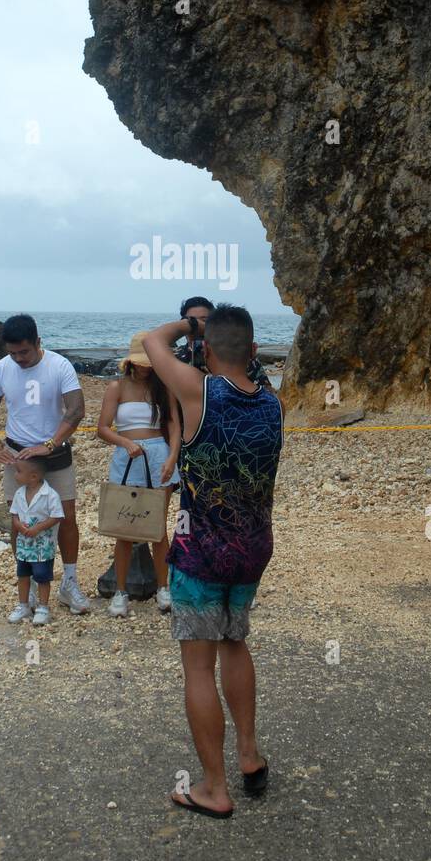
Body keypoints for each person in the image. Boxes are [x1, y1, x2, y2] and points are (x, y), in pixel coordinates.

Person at [143, 305, 284, 818]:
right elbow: (251, 375)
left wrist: (189, 328)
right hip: (253, 548)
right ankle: (249, 754)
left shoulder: (197, 391)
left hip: (201, 551)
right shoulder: (273, 403)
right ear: (252, 349)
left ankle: (213, 788)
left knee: (198, 667)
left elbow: (152, 340)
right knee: (236, 642)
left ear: (205, 351)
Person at [0, 314, 90, 616]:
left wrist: (51, 442)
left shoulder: (59, 366)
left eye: (24, 352)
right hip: (17, 457)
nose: (18, 359)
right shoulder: (2, 368)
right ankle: (25, 591)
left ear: (38, 343)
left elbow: (77, 409)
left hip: (55, 455)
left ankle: (69, 582)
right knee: (19, 519)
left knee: (67, 518)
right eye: (12, 353)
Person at [96, 331, 181, 617]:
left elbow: (174, 426)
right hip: (128, 454)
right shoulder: (116, 387)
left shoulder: (163, 387)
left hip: (158, 453)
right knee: (124, 528)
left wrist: (172, 457)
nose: (147, 367)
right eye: (143, 362)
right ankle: (120, 592)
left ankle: (163, 587)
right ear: (131, 361)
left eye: (150, 362)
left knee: (156, 527)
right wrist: (125, 442)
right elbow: (103, 428)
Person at [7, 456, 65, 627]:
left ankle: (43, 607)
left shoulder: (50, 495)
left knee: (42, 576)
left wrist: (38, 528)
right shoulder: (19, 493)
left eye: (18, 471)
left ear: (33, 476)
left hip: (42, 546)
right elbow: (14, 514)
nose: (15, 475)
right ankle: (23, 605)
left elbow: (57, 516)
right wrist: (19, 526)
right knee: (23, 575)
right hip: (24, 545)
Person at [174, 296, 274, 390]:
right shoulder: (176, 357)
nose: (198, 327)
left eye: (204, 321)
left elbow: (267, 393)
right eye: (192, 321)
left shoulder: (237, 358)